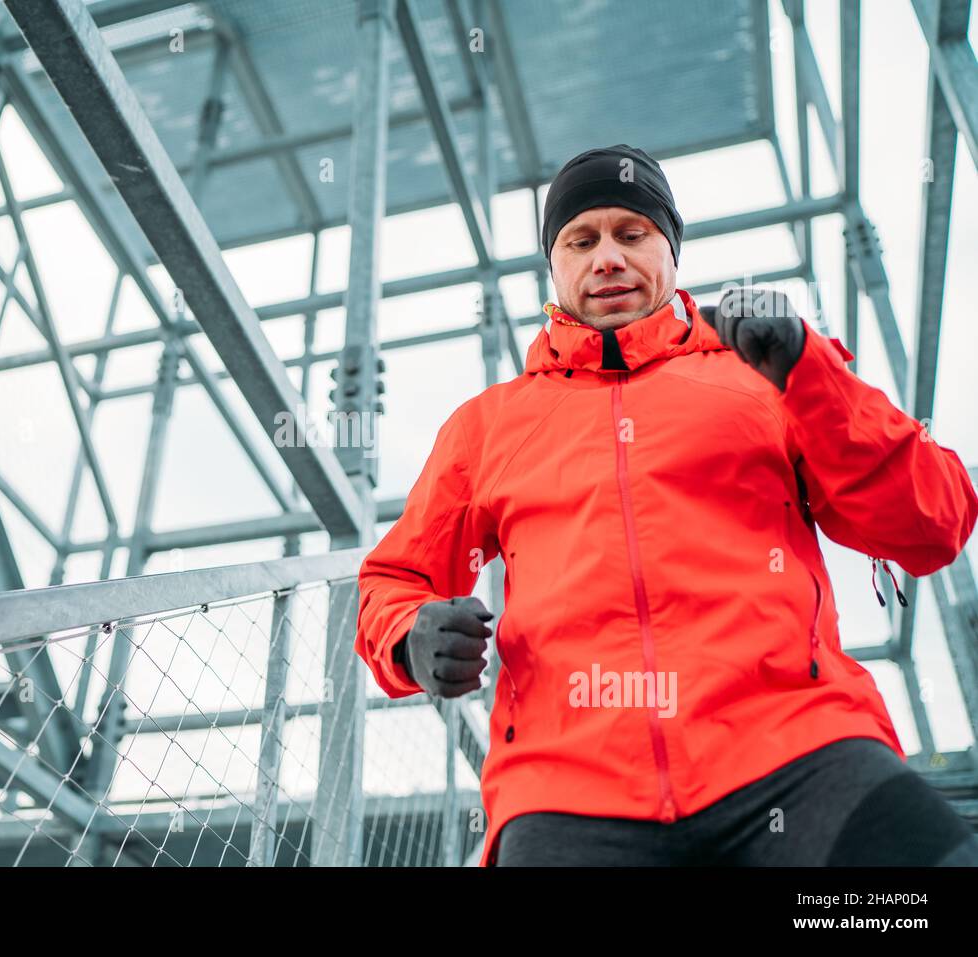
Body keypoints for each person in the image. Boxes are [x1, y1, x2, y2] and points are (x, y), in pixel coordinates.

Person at [353, 144, 978, 867]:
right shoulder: (487, 425)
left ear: (671, 252)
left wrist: (814, 374)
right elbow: (392, 578)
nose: (608, 258)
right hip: (569, 792)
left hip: (796, 749)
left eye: (632, 233)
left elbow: (933, 522)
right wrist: (409, 634)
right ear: (553, 268)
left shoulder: (768, 369)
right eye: (581, 241)